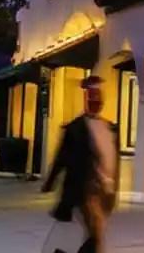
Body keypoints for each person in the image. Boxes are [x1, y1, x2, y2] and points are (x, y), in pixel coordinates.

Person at [42, 75, 118, 253]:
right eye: (91, 96)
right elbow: (62, 156)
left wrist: (113, 189)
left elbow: (113, 161)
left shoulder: (109, 128)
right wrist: (50, 181)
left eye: (98, 97)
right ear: (86, 99)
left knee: (95, 235)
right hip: (84, 191)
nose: (95, 100)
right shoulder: (75, 128)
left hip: (104, 193)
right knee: (95, 232)